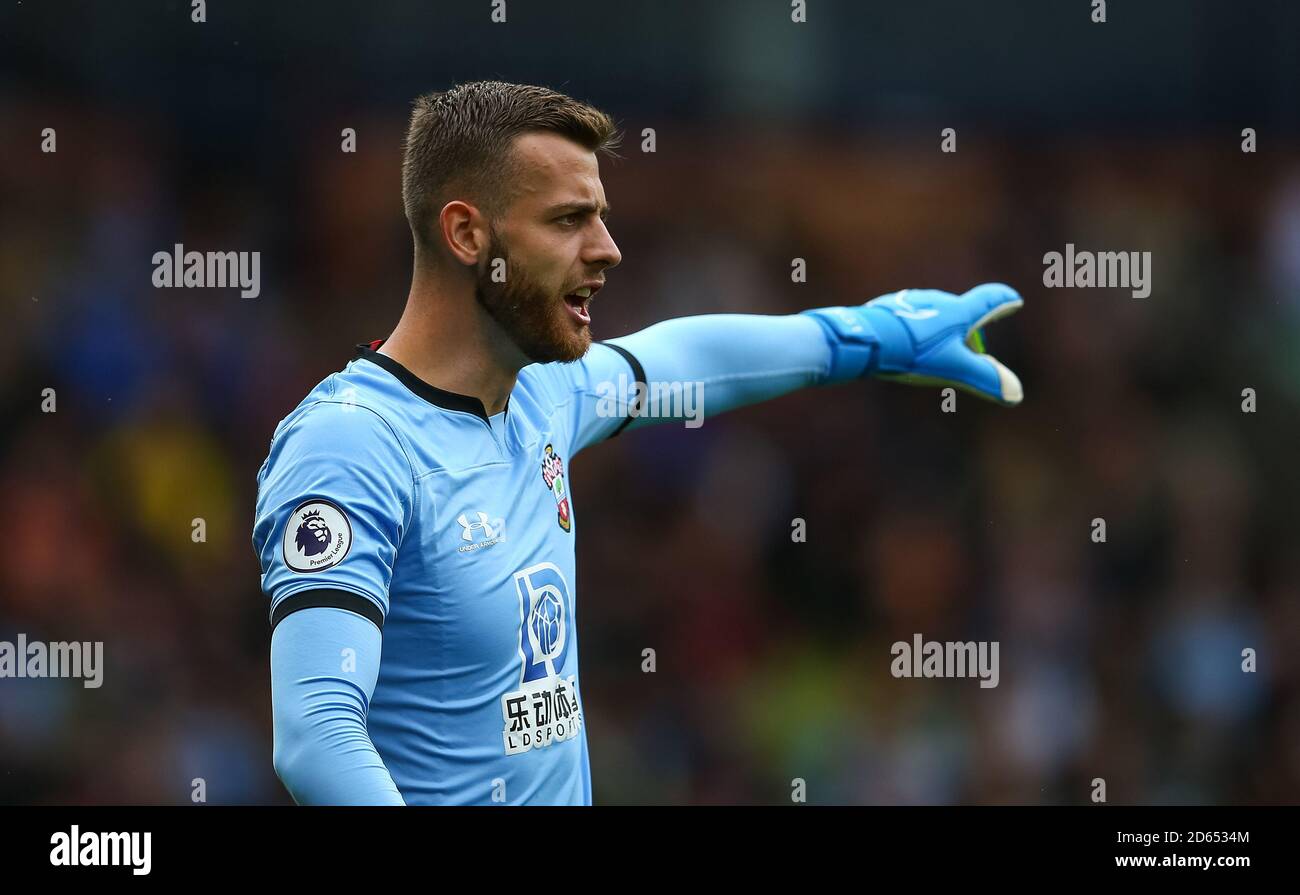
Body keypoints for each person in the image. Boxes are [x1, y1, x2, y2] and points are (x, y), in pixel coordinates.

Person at [252, 80, 1024, 805]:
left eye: (601, 216)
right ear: (465, 233)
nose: (607, 248)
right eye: (567, 220)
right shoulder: (353, 444)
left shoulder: (541, 396)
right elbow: (318, 734)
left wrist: (873, 335)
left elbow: (686, 361)